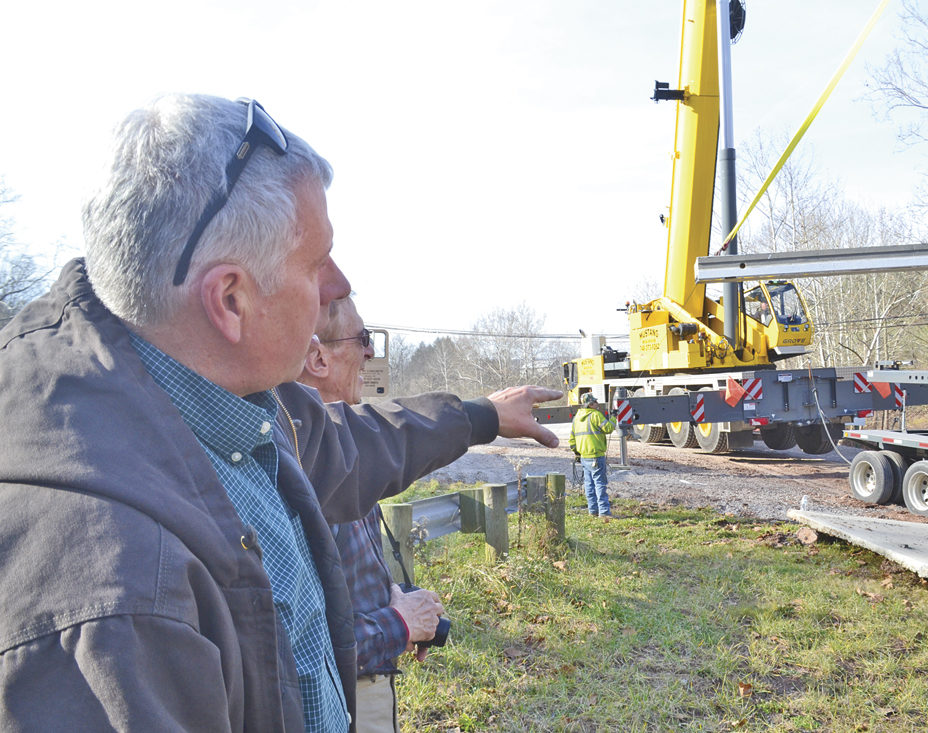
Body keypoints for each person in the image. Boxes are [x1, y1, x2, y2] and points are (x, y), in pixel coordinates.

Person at [0, 94, 560, 732]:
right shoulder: (116, 593)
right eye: (315, 260)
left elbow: (353, 445)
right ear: (230, 300)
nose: (334, 285)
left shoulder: (233, 410)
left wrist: (481, 415)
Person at [297, 296, 441, 733]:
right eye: (363, 339)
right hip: (344, 700)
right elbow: (301, 647)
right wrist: (400, 622)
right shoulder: (303, 475)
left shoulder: (339, 455)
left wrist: (396, 597)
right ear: (317, 358)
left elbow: (345, 582)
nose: (371, 352)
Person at [569, 392, 618, 519]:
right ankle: (604, 512)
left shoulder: (576, 418)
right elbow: (608, 428)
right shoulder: (596, 415)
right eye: (595, 402)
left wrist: (577, 453)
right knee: (600, 484)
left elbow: (572, 440)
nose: (597, 404)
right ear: (590, 404)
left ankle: (593, 510)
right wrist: (613, 417)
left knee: (589, 484)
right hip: (596, 455)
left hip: (584, 457)